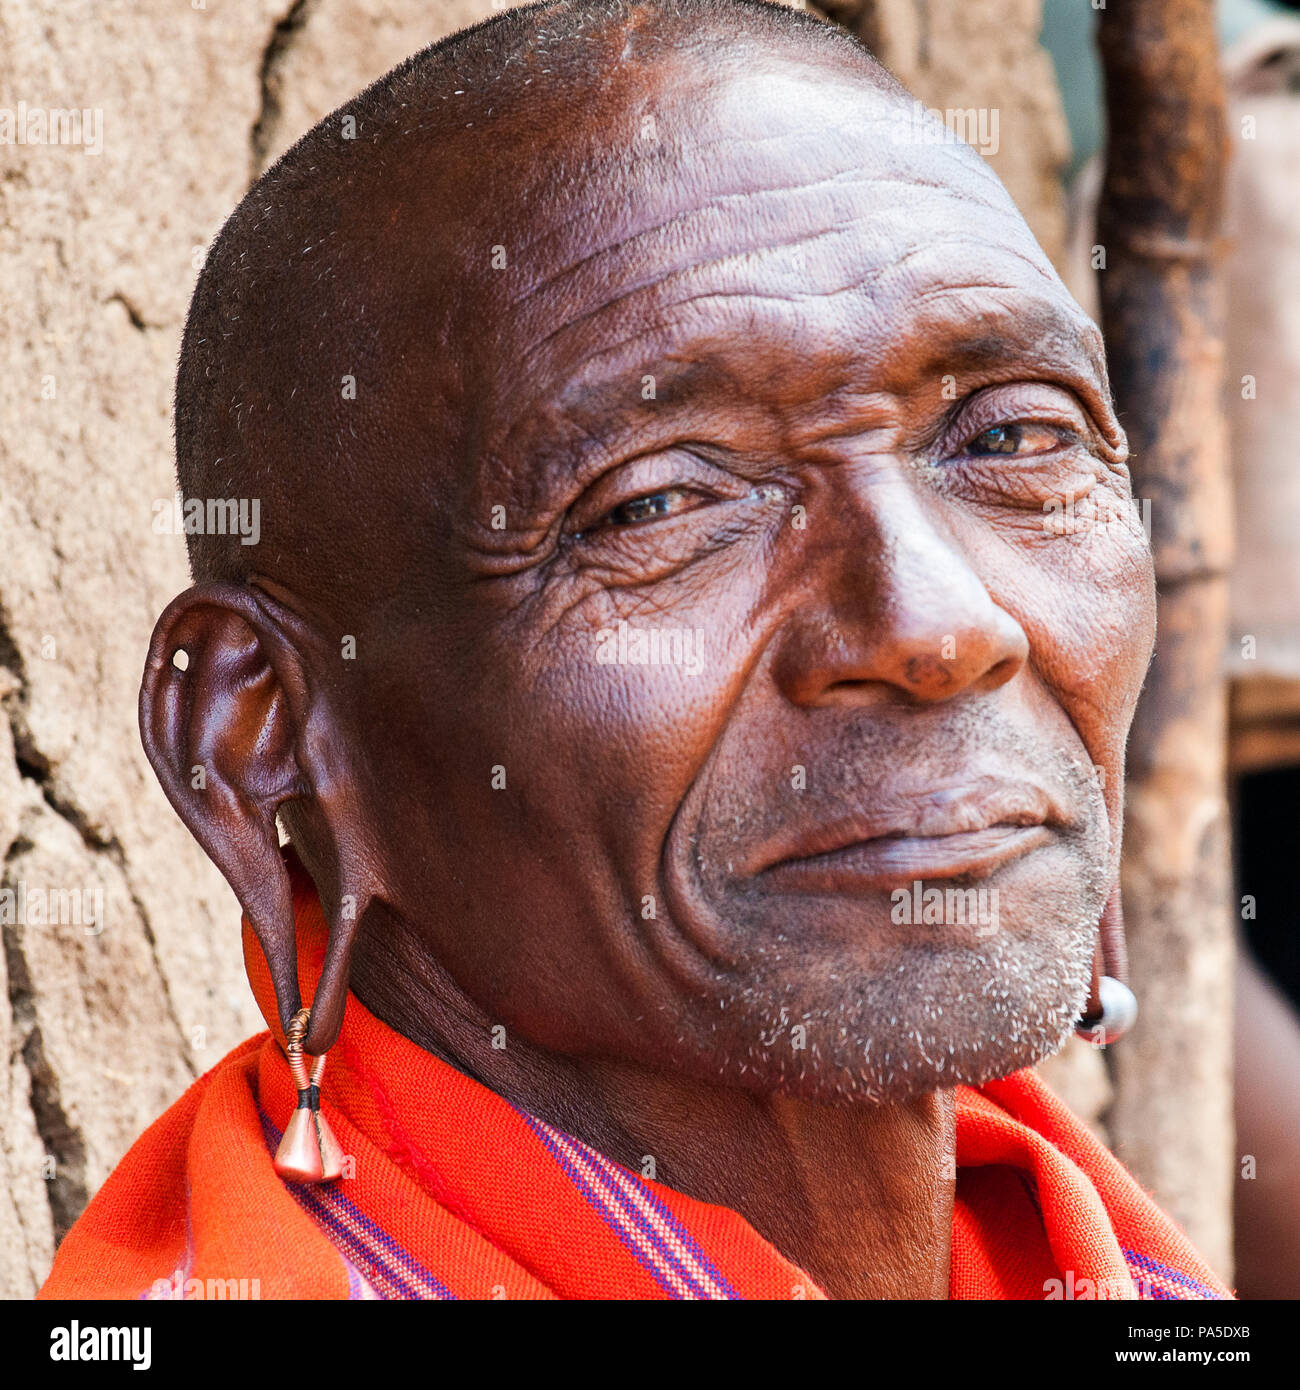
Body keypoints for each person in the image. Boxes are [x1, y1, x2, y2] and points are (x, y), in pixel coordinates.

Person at [40, 0, 1230, 1300]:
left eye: (1012, 438)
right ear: (262, 734)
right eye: (659, 503)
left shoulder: (1075, 1254)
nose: (943, 626)